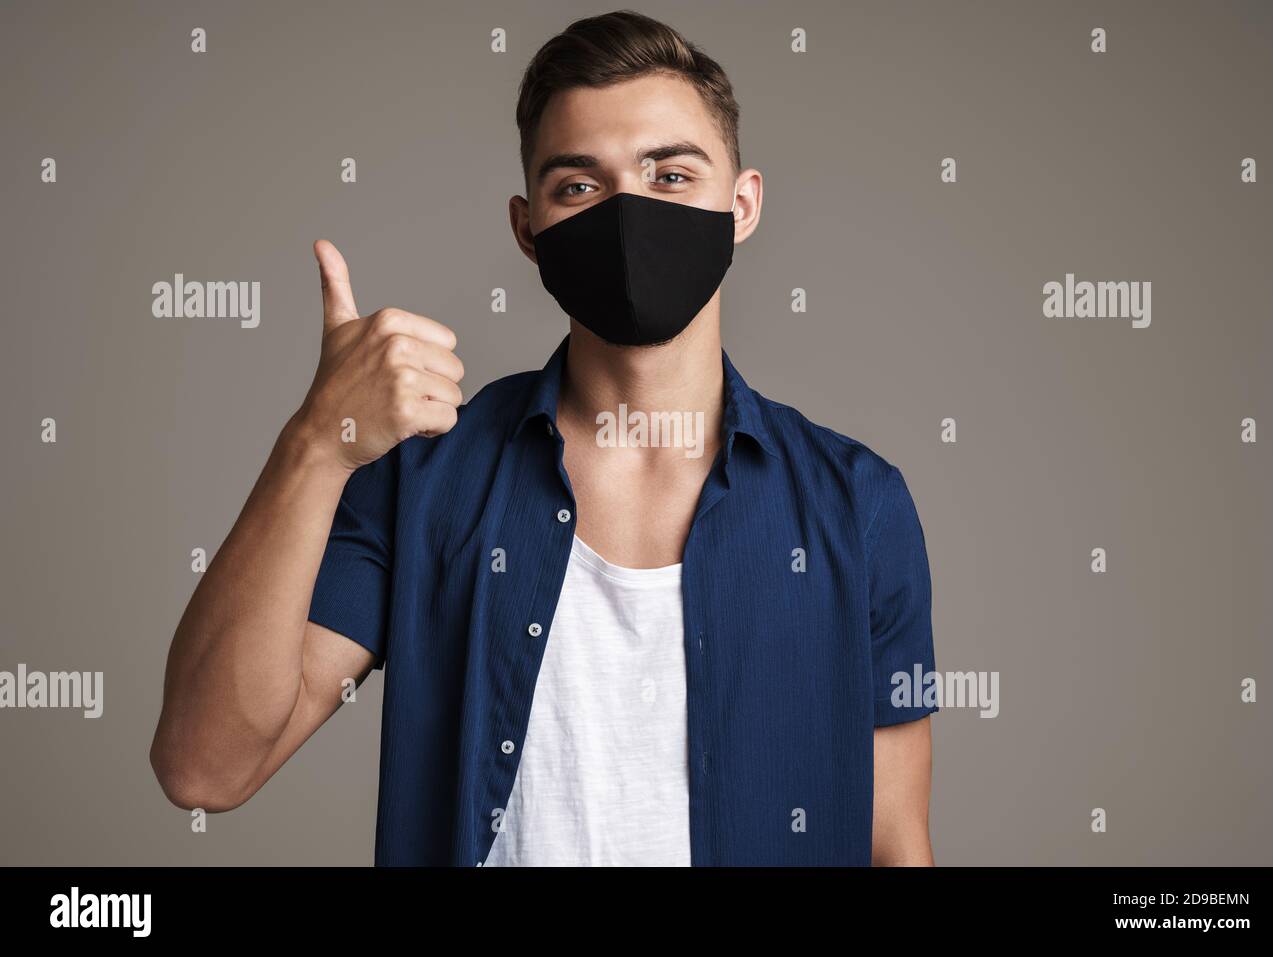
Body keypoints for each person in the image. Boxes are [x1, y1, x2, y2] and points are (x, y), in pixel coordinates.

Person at [150, 9, 939, 866]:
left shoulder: (857, 505)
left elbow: (894, 840)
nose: (629, 214)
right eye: (580, 187)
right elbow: (206, 767)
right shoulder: (423, 478)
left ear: (740, 205)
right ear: (528, 230)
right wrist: (314, 442)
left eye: (670, 176)